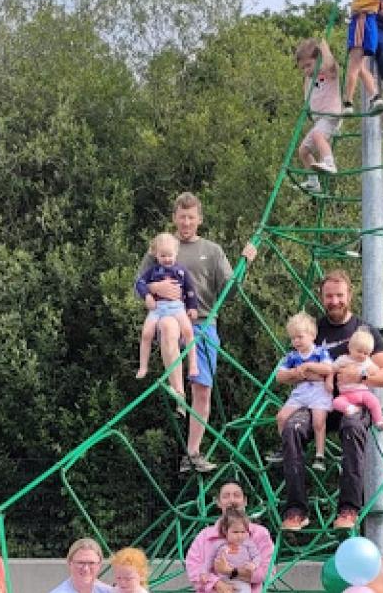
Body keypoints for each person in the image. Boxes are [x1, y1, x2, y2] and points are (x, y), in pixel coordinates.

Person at [138, 192, 257, 473]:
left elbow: (230, 290)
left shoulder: (212, 251)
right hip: (170, 316)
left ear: (199, 219)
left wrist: (246, 262)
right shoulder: (162, 246)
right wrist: (155, 289)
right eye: (182, 217)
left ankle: (192, 453)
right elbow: (139, 283)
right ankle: (177, 390)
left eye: (191, 218)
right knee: (168, 331)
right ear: (174, 218)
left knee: (203, 389)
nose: (186, 223)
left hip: (203, 322)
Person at [278, 269, 383, 531]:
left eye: (339, 295)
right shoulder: (313, 330)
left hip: (352, 401)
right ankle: (296, 509)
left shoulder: (364, 331)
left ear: (349, 295)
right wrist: (303, 373)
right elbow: (289, 369)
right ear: (321, 297)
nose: (334, 301)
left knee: (353, 426)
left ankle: (348, 508)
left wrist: (362, 376)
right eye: (329, 296)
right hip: (318, 401)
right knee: (291, 428)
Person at [269, 312, 334, 471]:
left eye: (300, 337)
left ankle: (320, 455)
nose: (296, 341)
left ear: (312, 336)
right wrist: (295, 373)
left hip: (318, 391)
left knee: (318, 421)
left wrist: (308, 366)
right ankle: (286, 447)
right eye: (293, 338)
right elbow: (279, 376)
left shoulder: (319, 352)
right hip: (301, 392)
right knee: (281, 417)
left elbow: (328, 368)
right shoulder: (292, 356)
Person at [184, 481, 274, 593]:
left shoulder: (259, 534)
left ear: (245, 501)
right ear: (218, 502)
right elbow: (193, 568)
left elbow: (267, 572)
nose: (232, 500)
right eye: (226, 496)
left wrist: (230, 571)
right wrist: (216, 583)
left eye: (237, 495)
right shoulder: (205, 536)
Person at [136, 232, 200, 384]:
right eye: (163, 256)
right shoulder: (153, 271)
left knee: (188, 331)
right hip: (158, 308)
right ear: (156, 255)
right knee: (146, 334)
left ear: (176, 253)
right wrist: (148, 296)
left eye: (169, 255)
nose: (167, 259)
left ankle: (193, 364)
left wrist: (192, 307)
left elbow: (190, 289)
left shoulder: (181, 271)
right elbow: (140, 283)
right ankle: (143, 366)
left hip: (176, 307)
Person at [294, 38, 344, 194]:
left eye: (309, 65)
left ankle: (330, 163)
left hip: (331, 115)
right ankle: (313, 181)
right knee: (303, 151)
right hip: (320, 119)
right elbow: (308, 95)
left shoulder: (327, 72)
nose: (306, 70)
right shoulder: (309, 79)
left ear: (319, 60)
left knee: (317, 135)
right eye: (303, 68)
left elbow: (331, 65)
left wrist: (324, 49)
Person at [330, 328, 383, 429]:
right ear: (350, 348)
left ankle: (379, 422)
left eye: (366, 353)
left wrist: (364, 374)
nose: (362, 355)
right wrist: (329, 381)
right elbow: (331, 369)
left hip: (362, 392)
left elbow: (375, 370)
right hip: (346, 394)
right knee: (336, 402)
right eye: (359, 351)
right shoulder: (343, 359)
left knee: (374, 402)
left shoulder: (367, 362)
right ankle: (350, 408)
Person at [203, 509, 262, 593]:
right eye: (235, 532)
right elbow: (209, 559)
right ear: (225, 531)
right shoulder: (218, 544)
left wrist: (254, 564)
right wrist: (204, 572)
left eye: (243, 532)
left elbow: (257, 556)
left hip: (241, 579)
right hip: (222, 580)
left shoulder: (248, 543)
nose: (239, 536)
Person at [48, 538, 114, 593]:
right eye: (80, 562)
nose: (86, 568)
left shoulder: (109, 591)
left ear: (99, 564)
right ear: (69, 563)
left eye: (91, 563)